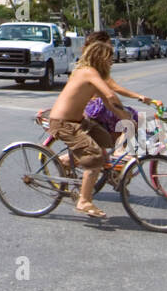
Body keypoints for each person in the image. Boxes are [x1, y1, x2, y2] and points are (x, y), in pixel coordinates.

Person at [47, 32, 158, 218]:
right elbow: (110, 96)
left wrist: (124, 118)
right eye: (109, 58)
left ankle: (80, 165)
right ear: (100, 58)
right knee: (95, 156)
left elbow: (108, 103)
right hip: (64, 123)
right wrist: (125, 115)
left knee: (106, 140)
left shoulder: (93, 73)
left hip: (78, 121)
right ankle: (84, 201)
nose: (111, 61)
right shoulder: (88, 71)